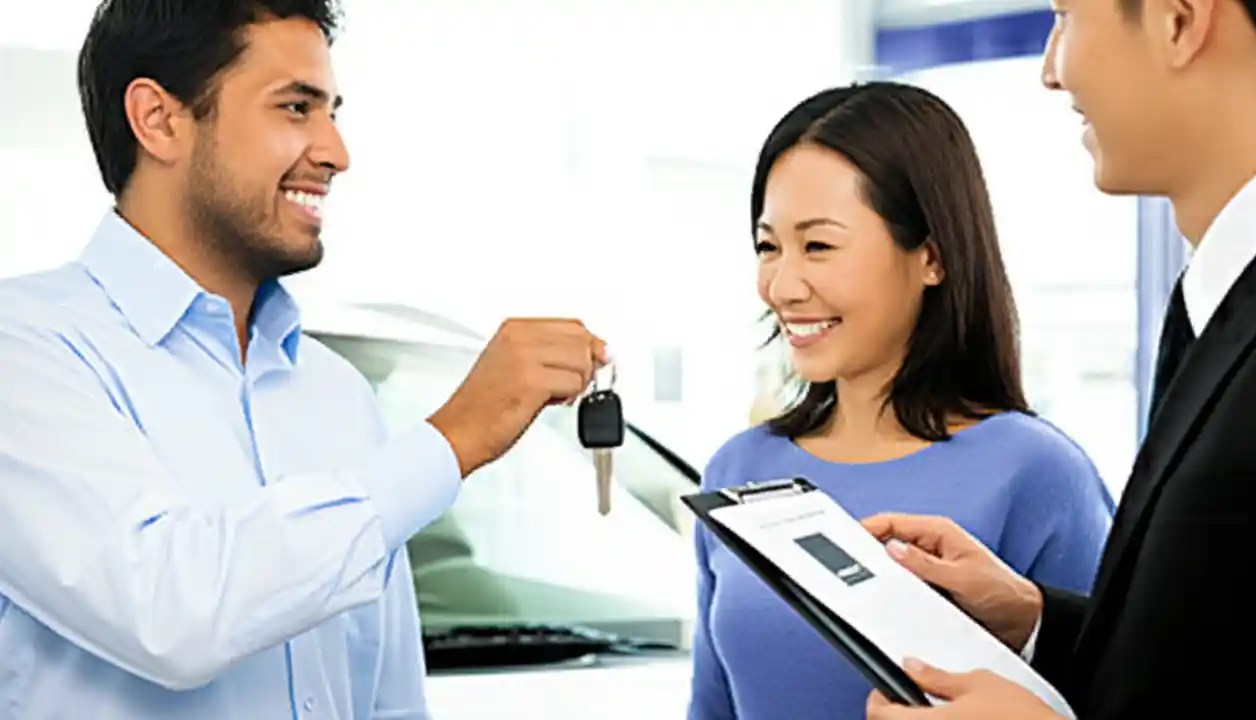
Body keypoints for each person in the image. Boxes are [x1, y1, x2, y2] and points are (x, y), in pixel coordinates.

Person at [0, 1, 607, 718]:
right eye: (295, 108)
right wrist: (454, 438)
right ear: (159, 120)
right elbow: (170, 612)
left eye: (332, 112)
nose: (335, 152)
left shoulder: (338, 394)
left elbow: (386, 697)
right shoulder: (26, 350)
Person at [862, 1, 1256, 718]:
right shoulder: (1218, 304)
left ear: (1178, 20)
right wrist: (1033, 619)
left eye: (1066, 16)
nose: (1052, 70)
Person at [686, 81, 1115, 720]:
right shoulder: (739, 470)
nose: (782, 284)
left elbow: (1124, 690)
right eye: (768, 246)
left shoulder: (1037, 472)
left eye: (819, 246)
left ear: (933, 257)